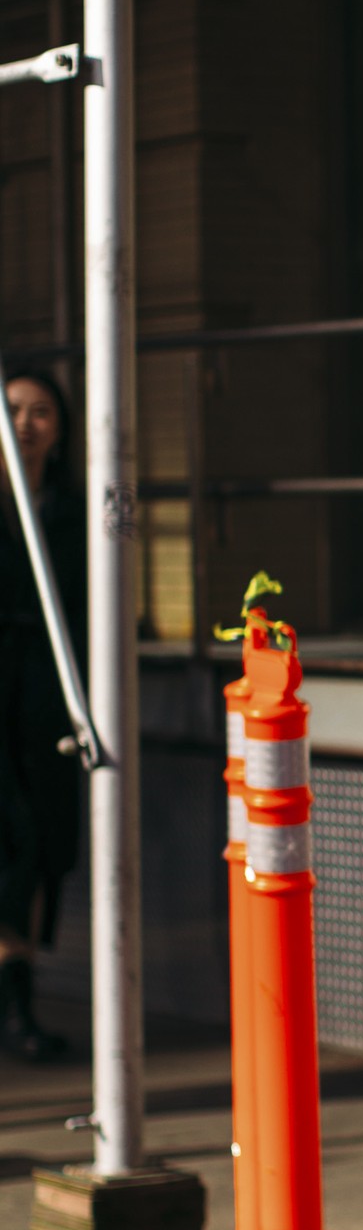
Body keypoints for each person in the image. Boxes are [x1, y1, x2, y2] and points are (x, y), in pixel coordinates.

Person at [0, 367, 83, 1062]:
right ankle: (16, 1008)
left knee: (44, 846)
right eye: (14, 410)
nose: (27, 424)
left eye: (42, 412)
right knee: (12, 842)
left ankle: (19, 1002)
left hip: (45, 691)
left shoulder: (71, 509)